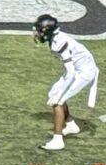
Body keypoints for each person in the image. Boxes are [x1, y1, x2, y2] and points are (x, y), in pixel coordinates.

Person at [33, 14, 100, 151]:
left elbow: (71, 72)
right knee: (53, 93)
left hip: (83, 72)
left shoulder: (59, 43)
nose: (37, 34)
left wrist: (60, 95)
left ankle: (58, 140)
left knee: (57, 101)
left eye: (40, 31)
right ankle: (71, 125)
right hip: (77, 69)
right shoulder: (55, 39)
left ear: (47, 31)